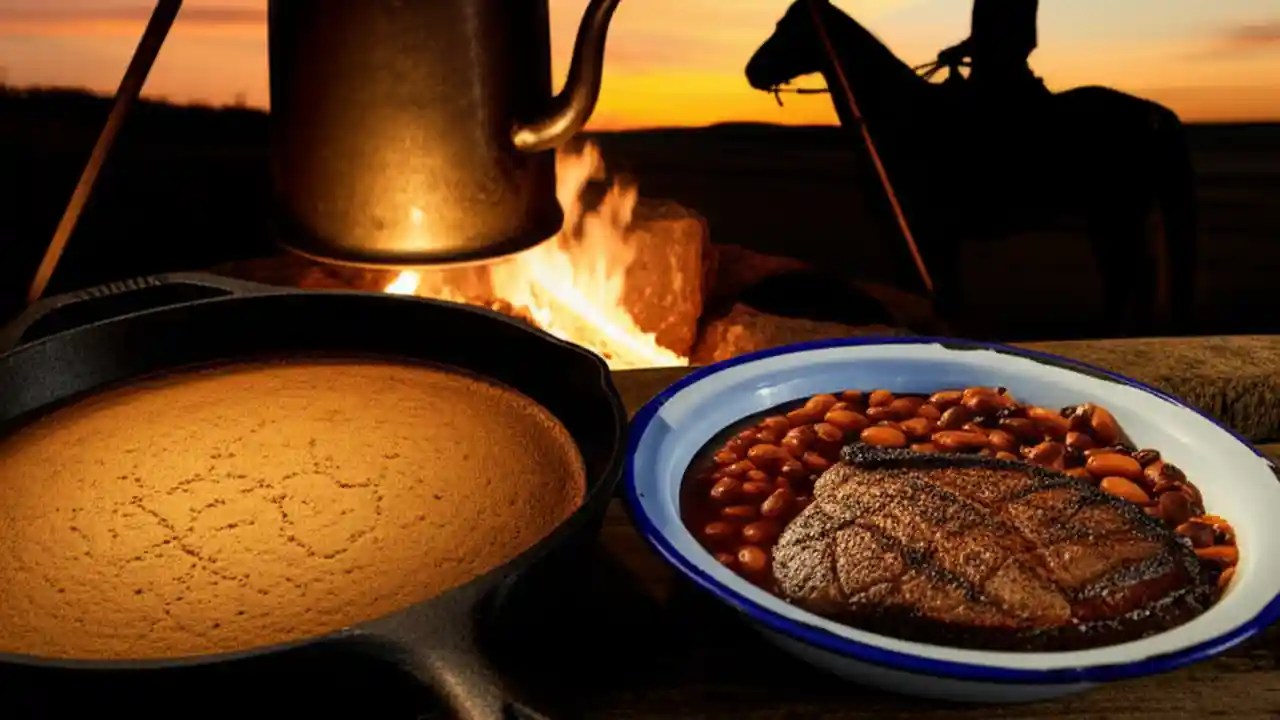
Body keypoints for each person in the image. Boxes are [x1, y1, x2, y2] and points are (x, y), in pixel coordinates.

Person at [937, 0, 1048, 101]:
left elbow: (1025, 40)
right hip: (988, 77)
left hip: (1004, 81)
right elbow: (979, 38)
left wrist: (959, 52)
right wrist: (957, 52)